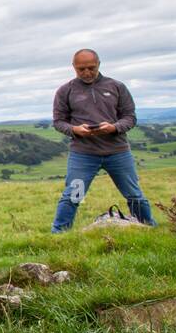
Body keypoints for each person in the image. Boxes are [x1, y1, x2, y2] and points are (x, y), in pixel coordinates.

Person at [50, 48, 157, 233]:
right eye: (81, 69)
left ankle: (150, 230)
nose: (86, 73)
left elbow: (130, 117)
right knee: (73, 196)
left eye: (91, 68)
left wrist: (114, 127)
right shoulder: (65, 91)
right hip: (83, 154)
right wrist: (74, 130)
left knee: (134, 195)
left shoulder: (116, 86)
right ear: (74, 67)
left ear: (99, 64)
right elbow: (59, 122)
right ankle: (58, 236)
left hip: (118, 152)